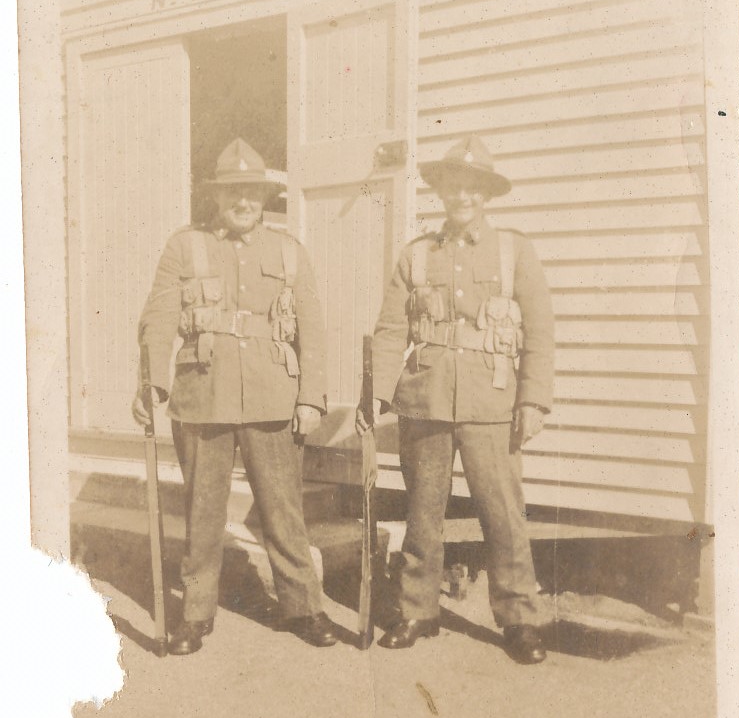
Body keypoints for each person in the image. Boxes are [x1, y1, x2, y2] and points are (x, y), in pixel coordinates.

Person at [133, 138, 338, 655]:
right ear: (216, 198)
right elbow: (158, 316)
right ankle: (196, 615)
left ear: (264, 198)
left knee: (282, 508)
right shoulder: (186, 246)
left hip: (274, 397)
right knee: (203, 512)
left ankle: (303, 607)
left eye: (251, 192)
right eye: (232, 193)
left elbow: (311, 327)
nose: (243, 202)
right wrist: (152, 382)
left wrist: (311, 396)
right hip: (203, 394)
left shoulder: (289, 250)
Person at [357, 134, 554, 664]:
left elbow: (539, 331)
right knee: (423, 512)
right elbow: (392, 327)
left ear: (485, 194)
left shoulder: (514, 251)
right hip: (425, 397)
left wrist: (533, 401)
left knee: (503, 513)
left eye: (472, 188)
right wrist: (374, 394)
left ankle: (519, 618)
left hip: (493, 402)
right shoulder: (417, 255)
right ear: (440, 193)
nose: (462, 197)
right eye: (452, 187)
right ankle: (418, 610)